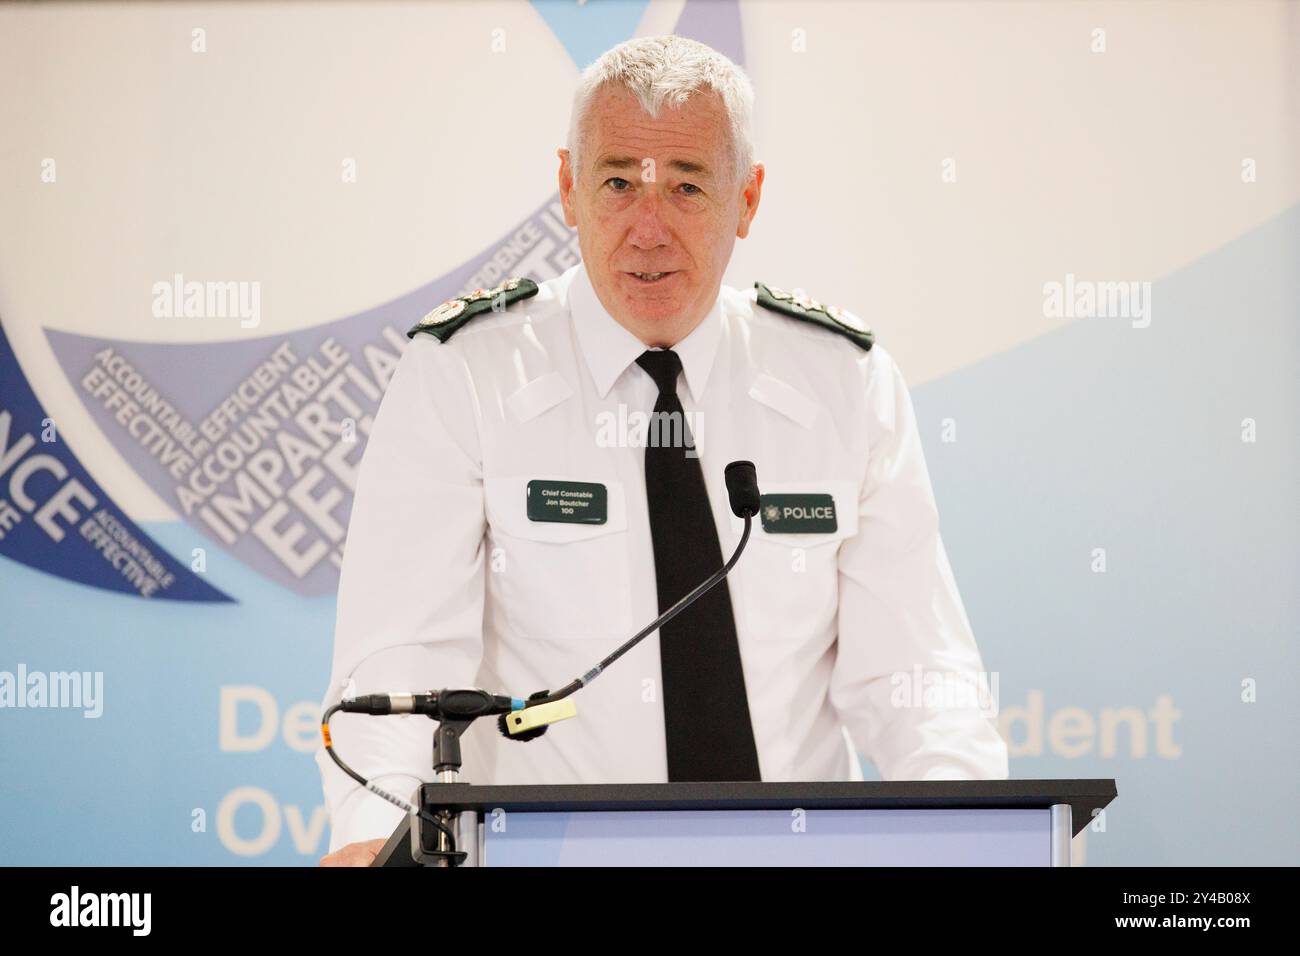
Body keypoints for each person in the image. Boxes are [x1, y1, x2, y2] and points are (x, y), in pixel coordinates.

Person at [316, 35, 1007, 867]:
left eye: (687, 186)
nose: (649, 230)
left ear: (747, 199)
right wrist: (374, 838)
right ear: (569, 189)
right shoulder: (466, 374)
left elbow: (919, 679)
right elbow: (402, 659)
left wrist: (977, 839)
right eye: (617, 184)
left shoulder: (843, 383)